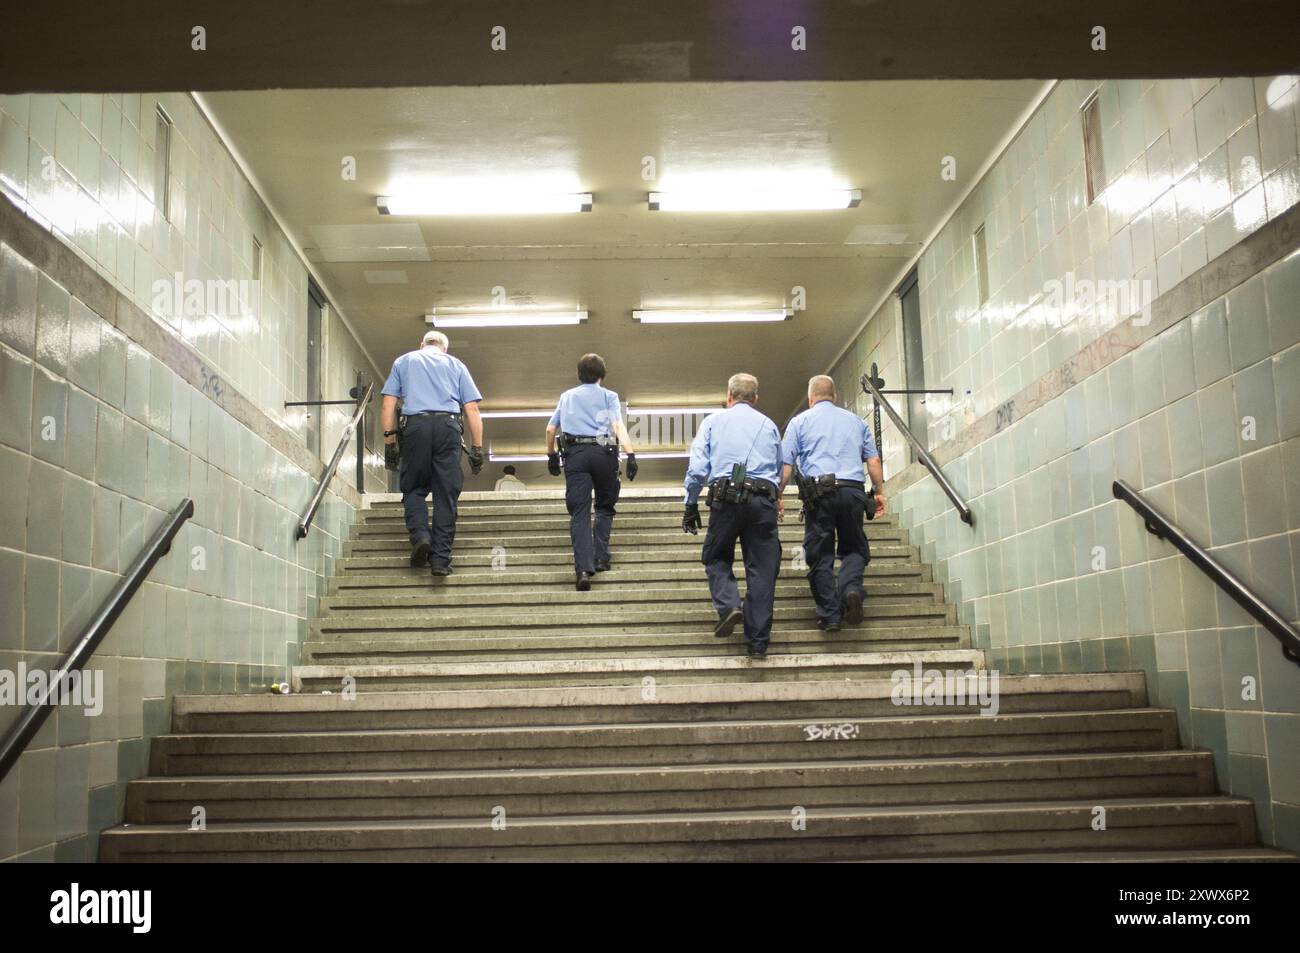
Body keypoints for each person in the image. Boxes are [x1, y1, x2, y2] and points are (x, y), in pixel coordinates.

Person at [682, 373, 782, 659]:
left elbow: (698, 467)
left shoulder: (713, 422)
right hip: (763, 501)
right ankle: (758, 643)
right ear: (756, 398)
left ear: (729, 396)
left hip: (725, 499)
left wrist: (690, 504)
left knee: (716, 556)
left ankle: (728, 606)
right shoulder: (769, 425)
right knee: (762, 570)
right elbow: (777, 468)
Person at [778, 375, 886, 630]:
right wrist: (879, 491)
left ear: (810, 398)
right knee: (855, 548)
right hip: (852, 491)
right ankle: (850, 589)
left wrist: (777, 494)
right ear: (835, 397)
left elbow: (786, 465)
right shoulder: (856, 422)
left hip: (819, 494)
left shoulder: (799, 422)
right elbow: (873, 462)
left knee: (819, 554)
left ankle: (830, 615)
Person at [380, 329, 484, 577]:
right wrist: (477, 448)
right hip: (447, 428)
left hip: (415, 427)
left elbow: (388, 404)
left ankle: (421, 537)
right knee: (445, 493)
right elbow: (472, 409)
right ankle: (440, 560)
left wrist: (390, 441)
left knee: (413, 487)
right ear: (444, 348)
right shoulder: (456, 364)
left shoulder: (403, 361)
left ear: (422, 344)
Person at [545, 354, 638, 591]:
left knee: (580, 512)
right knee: (605, 506)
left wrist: (552, 455)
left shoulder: (567, 397)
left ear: (579, 374)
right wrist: (630, 454)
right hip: (603, 454)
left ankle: (583, 569)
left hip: (575, 455)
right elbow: (617, 426)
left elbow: (550, 429)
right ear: (602, 375)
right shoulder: (609, 396)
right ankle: (600, 558)